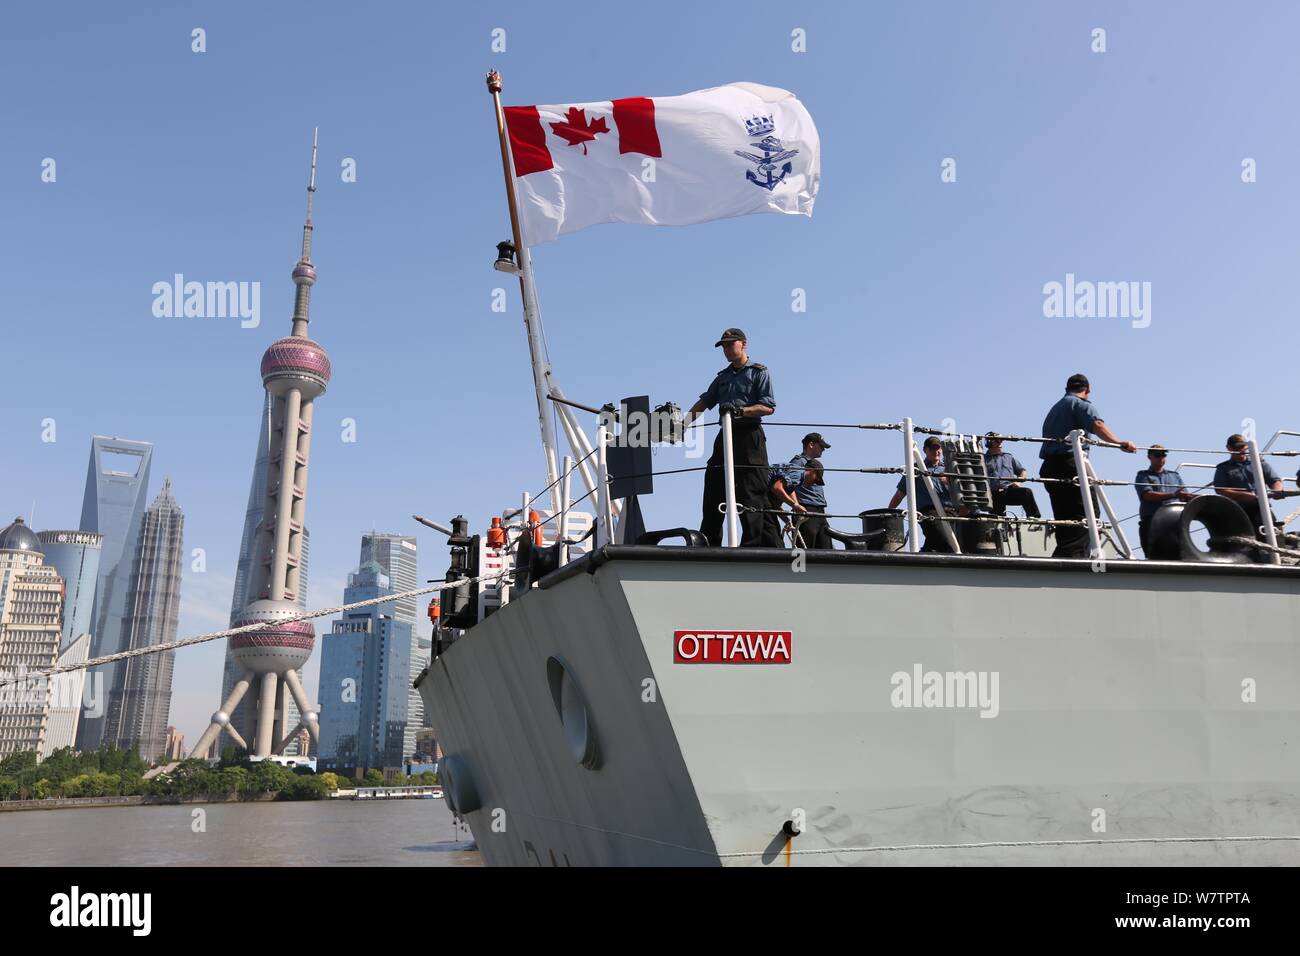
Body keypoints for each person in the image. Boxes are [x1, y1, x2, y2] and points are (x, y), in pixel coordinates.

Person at [685, 328, 780, 547]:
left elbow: (768, 407)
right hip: (725, 435)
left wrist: (741, 411)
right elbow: (705, 401)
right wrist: (684, 424)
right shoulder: (723, 377)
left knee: (751, 491)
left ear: (743, 344)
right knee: (714, 486)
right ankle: (708, 543)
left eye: (730, 344)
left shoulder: (758, 372)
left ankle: (753, 546)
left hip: (749, 437)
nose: (727, 349)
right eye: (724, 346)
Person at [1038, 373, 1136, 558]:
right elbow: (1097, 425)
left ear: (1067, 389)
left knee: (1065, 519)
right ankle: (1075, 561)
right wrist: (1119, 443)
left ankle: (1063, 559)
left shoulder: (1055, 409)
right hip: (1070, 465)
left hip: (1050, 467)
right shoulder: (1080, 404)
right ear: (1087, 391)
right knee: (1086, 514)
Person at [764, 432, 833, 544]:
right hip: (806, 508)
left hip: (817, 511)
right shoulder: (798, 465)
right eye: (821, 446)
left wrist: (787, 519)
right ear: (811, 444)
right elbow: (782, 487)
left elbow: (779, 500)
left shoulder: (812, 466)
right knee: (804, 546)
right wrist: (796, 505)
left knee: (825, 545)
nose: (823, 450)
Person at [888, 436, 954, 552]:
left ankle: (925, 554)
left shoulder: (949, 469)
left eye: (938, 448)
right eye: (932, 448)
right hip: (928, 512)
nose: (936, 451)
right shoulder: (916, 469)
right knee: (945, 541)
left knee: (940, 543)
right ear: (925, 450)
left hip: (950, 511)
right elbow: (900, 494)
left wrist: (950, 483)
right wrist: (888, 513)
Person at [1213, 434, 1282, 538]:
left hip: (1262, 508)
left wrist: (1276, 491)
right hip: (1239, 511)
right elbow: (1221, 490)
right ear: (1229, 448)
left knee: (1274, 534)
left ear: (1246, 447)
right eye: (1236, 448)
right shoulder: (1223, 468)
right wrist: (1245, 495)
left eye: (1242, 447)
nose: (1240, 450)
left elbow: (1275, 480)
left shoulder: (1259, 463)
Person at [1133, 444, 1192, 555]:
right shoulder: (1143, 475)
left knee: (1178, 556)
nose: (1161, 457)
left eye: (1164, 455)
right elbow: (1147, 495)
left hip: (1174, 524)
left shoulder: (1175, 476)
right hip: (1152, 523)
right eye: (1157, 455)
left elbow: (1185, 496)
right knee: (1153, 557)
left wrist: (1195, 497)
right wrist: (1173, 495)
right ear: (1149, 457)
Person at [771, 458, 832, 549]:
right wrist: (795, 505)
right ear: (812, 471)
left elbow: (775, 505)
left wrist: (787, 521)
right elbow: (776, 488)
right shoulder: (798, 473)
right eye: (816, 479)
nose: (814, 484)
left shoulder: (794, 481)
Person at [984, 432, 1041, 520]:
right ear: (989, 443)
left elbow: (1022, 471)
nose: (1000, 443)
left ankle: (1034, 518)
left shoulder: (1008, 457)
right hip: (992, 494)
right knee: (997, 520)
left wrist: (1018, 481)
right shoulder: (983, 459)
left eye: (1001, 441)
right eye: (997, 441)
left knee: (1026, 493)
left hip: (1008, 491)